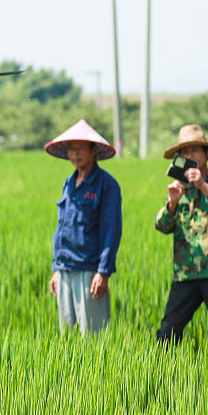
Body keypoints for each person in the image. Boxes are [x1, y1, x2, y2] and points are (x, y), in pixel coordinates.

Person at [154, 124, 208, 346]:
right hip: (186, 274)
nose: (189, 156)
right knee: (167, 333)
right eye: (184, 152)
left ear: (207, 153)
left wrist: (203, 186)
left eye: (194, 150)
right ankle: (164, 378)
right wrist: (172, 202)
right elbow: (161, 225)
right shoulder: (179, 188)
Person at [44, 120, 123, 335]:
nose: (75, 153)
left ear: (93, 150)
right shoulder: (69, 183)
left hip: (89, 270)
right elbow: (61, 227)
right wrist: (56, 269)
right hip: (65, 269)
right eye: (71, 148)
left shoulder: (107, 185)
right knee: (67, 336)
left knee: (92, 337)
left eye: (80, 147)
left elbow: (111, 230)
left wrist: (103, 272)